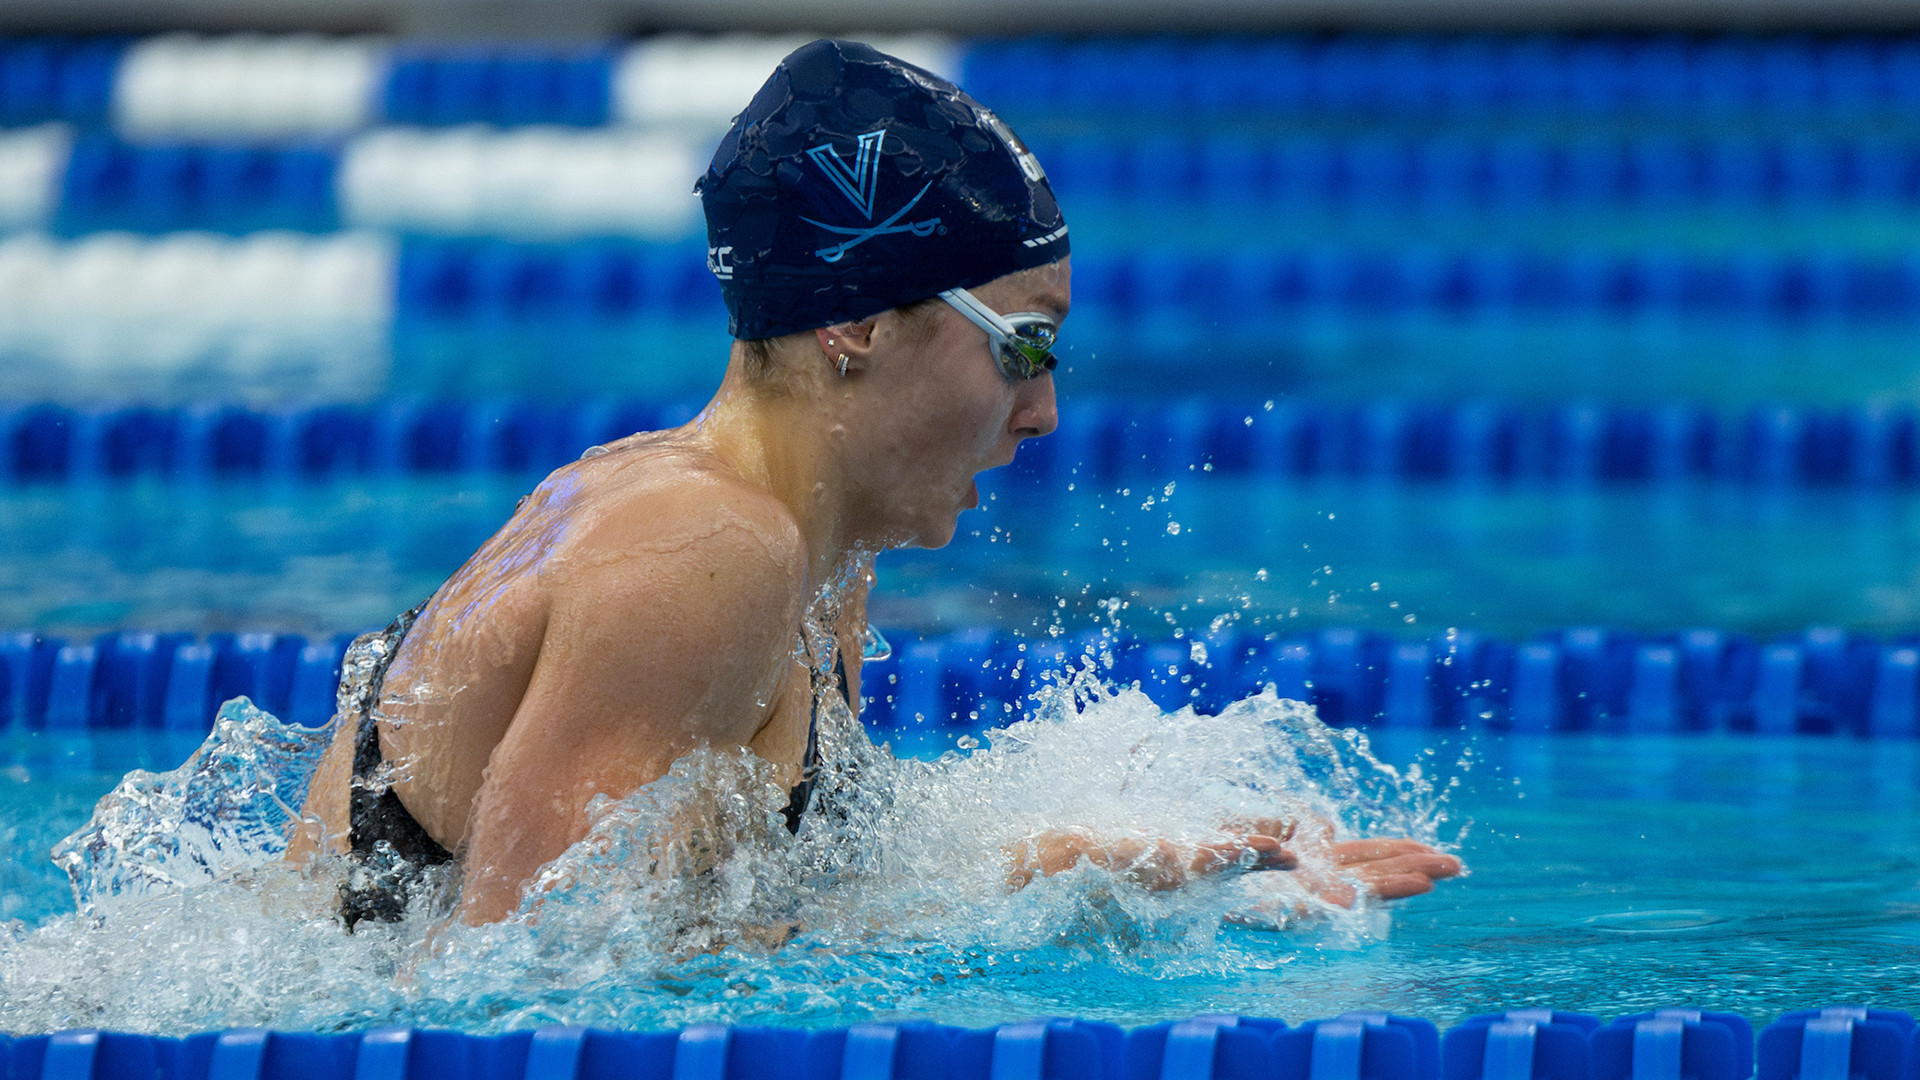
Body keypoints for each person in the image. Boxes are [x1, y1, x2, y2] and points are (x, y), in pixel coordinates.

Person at [293, 39, 1460, 928]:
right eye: (1025, 345)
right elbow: (504, 990)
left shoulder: (814, 551)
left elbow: (808, 892)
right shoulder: (702, 548)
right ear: (852, 320)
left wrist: (1121, 878)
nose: (1044, 412)